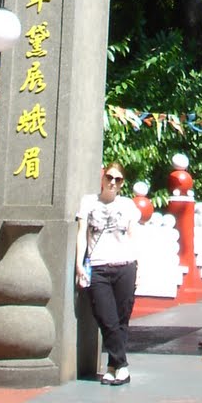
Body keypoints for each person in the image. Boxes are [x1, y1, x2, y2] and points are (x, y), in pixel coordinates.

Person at [76, 164, 139, 385]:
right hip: (99, 266)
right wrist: (79, 264)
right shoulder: (88, 202)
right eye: (110, 177)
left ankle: (114, 367)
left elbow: (133, 238)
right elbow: (82, 234)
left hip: (125, 266)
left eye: (118, 179)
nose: (113, 182)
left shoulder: (128, 205)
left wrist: (139, 268)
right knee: (107, 319)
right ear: (102, 177)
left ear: (122, 184)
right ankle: (123, 365)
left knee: (122, 320)